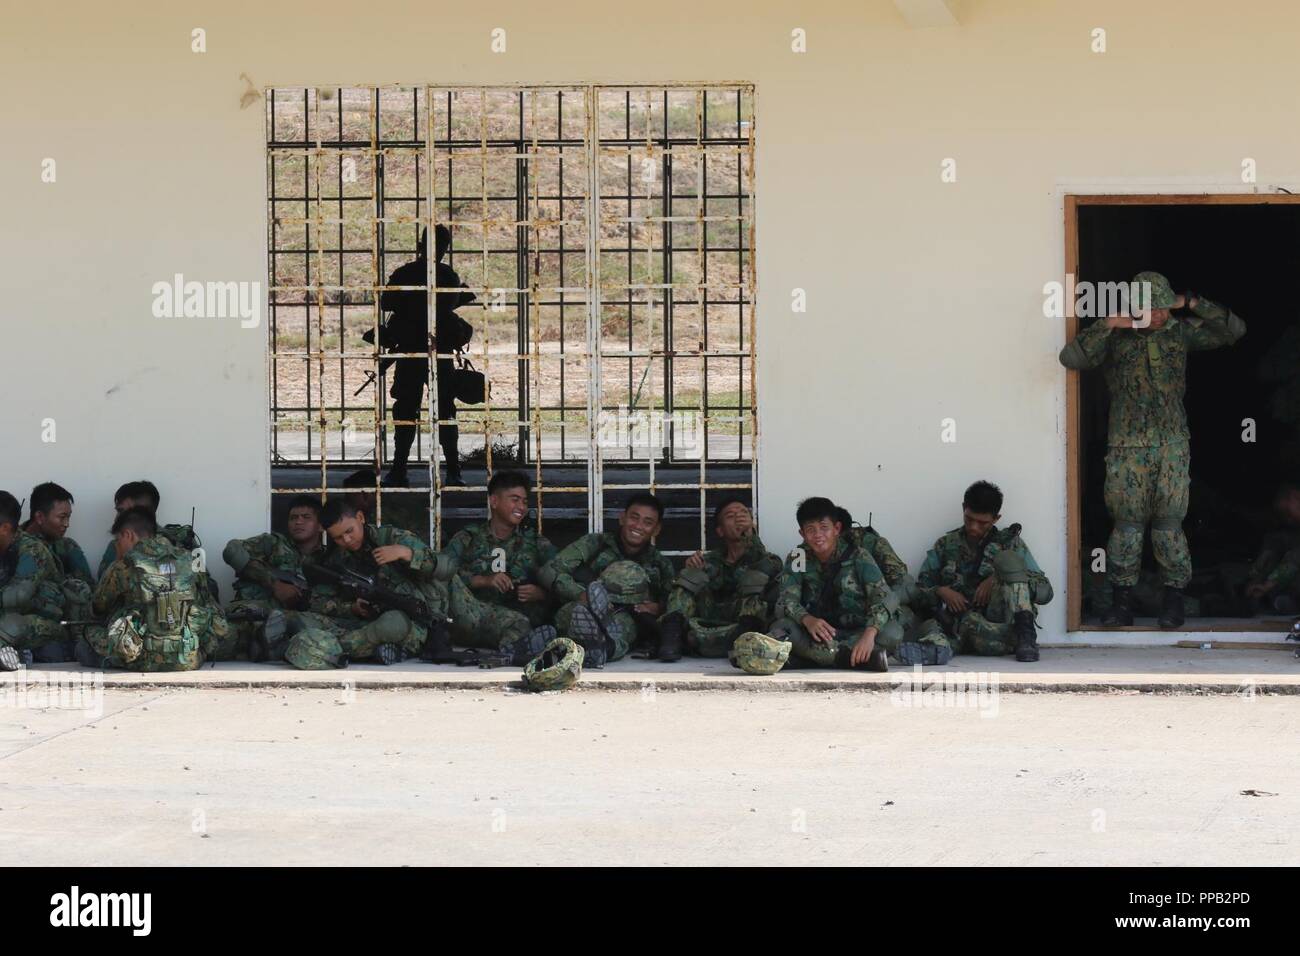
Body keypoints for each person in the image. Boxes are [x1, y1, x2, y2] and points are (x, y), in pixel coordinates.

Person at [1059, 271, 1245, 628]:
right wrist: (1109, 323)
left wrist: (1191, 302)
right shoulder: (1116, 338)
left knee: (1169, 525)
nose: (1159, 315)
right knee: (1127, 527)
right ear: (1134, 308)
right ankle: (1121, 602)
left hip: (1172, 444)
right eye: (1152, 309)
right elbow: (1073, 358)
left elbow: (1233, 331)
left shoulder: (1178, 331)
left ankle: (1173, 602)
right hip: (1127, 446)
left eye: (1163, 308)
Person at [281, 500, 546, 670]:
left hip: (452, 608)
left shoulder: (393, 537)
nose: (347, 541)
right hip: (411, 625)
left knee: (517, 623)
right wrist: (351, 608)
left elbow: (446, 567)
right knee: (392, 626)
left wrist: (406, 554)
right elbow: (319, 599)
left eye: (350, 531)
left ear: (361, 518)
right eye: (338, 538)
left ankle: (505, 655)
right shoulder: (336, 561)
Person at [378, 225, 477, 488]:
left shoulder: (405, 273)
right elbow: (448, 304)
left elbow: (386, 303)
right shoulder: (448, 275)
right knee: (445, 412)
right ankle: (453, 472)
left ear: (420, 244)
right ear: (445, 248)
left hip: (411, 352)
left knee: (406, 413)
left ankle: (399, 470)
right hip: (438, 353)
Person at [914, 481, 1052, 662]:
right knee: (935, 630)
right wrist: (942, 591)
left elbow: (1045, 591)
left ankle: (1026, 639)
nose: (973, 527)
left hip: (1000, 622)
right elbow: (918, 592)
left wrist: (1001, 577)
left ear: (996, 518)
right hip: (961, 626)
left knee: (1009, 562)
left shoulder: (1010, 543)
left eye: (982, 523)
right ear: (964, 508)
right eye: (969, 519)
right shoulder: (945, 545)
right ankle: (938, 649)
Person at [83, 507, 230, 671]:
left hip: (142, 660)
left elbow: (98, 607)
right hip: (189, 659)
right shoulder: (191, 560)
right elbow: (208, 602)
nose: (117, 547)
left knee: (89, 632)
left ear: (128, 535)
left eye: (118, 541)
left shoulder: (123, 566)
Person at [541, 494, 676, 667]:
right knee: (575, 614)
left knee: (621, 628)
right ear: (622, 518)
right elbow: (551, 570)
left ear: (656, 529)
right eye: (634, 518)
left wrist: (657, 608)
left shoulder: (660, 564)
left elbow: (673, 603)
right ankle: (572, 645)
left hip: (628, 618)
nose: (638, 526)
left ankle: (599, 649)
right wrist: (580, 594)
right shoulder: (595, 544)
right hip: (585, 608)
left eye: (647, 522)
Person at [768, 496, 891, 671]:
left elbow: (882, 598)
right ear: (802, 534)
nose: (818, 535)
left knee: (892, 634)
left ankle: (809, 659)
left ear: (837, 528)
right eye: (810, 530)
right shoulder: (798, 557)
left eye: (824, 528)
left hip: (856, 630)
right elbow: (786, 599)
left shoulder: (859, 556)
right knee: (781, 629)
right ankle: (846, 658)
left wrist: (869, 634)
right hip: (816, 632)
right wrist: (807, 619)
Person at [659, 496, 781, 662]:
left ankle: (740, 644)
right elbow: (691, 588)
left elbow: (758, 559)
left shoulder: (767, 559)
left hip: (744, 623)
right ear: (720, 530)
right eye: (731, 516)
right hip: (710, 618)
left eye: (743, 514)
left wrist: (749, 534)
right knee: (690, 575)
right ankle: (672, 638)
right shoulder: (711, 560)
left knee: (755, 578)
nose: (739, 518)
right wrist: (692, 570)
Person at [442, 470, 558, 628]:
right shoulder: (467, 538)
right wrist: (482, 581)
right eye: (514, 500)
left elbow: (561, 576)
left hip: (522, 622)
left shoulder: (535, 542)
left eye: (524, 502)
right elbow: (440, 574)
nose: (521, 507)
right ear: (494, 501)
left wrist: (541, 594)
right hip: (473, 621)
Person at [222, 495, 328, 660]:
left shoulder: (327, 560)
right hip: (252, 616)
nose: (298, 522)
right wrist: (274, 584)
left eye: (306, 517)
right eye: (293, 518)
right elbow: (231, 551)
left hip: (296, 623)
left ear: (321, 525)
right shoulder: (272, 543)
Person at [835, 505, 936, 664]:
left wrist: (883, 601)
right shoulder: (819, 552)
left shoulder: (871, 544)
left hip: (881, 605)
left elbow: (902, 581)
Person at [23, 482, 94, 662]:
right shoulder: (16, 546)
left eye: (68, 517)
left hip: (61, 629)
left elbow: (89, 591)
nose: (66, 524)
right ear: (39, 517)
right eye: (61, 517)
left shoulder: (67, 547)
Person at [0, 490, 69, 671]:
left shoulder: (31, 550)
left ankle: (15, 656)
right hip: (10, 619)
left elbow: (17, 597)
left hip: (42, 624)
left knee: (12, 624)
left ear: (4, 528)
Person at [95, 480, 200, 579]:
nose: (117, 517)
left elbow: (207, 585)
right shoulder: (118, 544)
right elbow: (102, 584)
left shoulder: (183, 540)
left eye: (121, 511)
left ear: (141, 512)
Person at [1244, 482, 1300, 614]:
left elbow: (1295, 558)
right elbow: (1269, 553)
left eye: (1287, 514)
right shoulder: (1284, 532)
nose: (1288, 519)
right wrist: (1255, 580)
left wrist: (1267, 585)